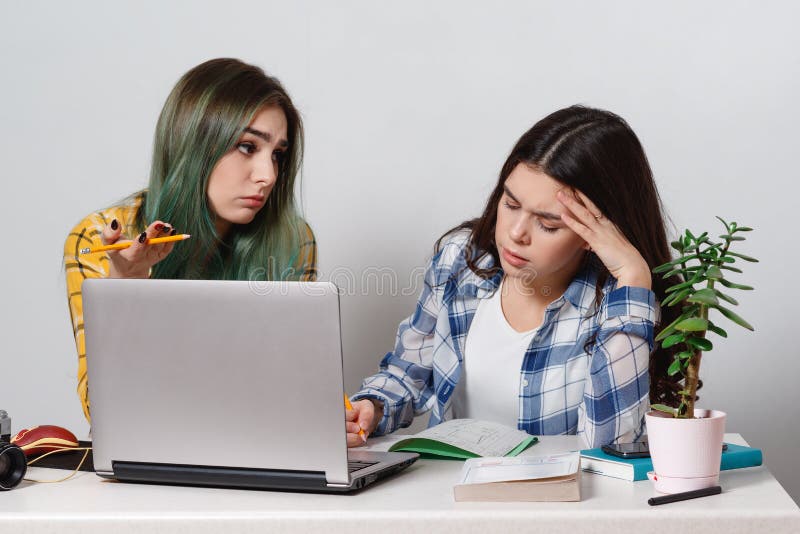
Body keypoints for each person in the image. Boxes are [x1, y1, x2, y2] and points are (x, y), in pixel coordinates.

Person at [345, 105, 681, 448]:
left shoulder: (619, 301)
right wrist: (372, 406)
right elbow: (408, 373)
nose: (516, 233)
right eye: (511, 204)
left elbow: (611, 444)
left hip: (558, 500)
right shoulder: (460, 260)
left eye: (548, 224)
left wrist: (633, 277)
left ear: (595, 233)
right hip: (448, 493)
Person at [64, 58, 316, 422]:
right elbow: (103, 414)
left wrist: (329, 414)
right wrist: (123, 293)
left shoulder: (293, 241)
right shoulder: (98, 239)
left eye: (277, 154)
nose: (268, 175)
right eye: (247, 147)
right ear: (193, 145)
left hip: (257, 449)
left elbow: (297, 385)